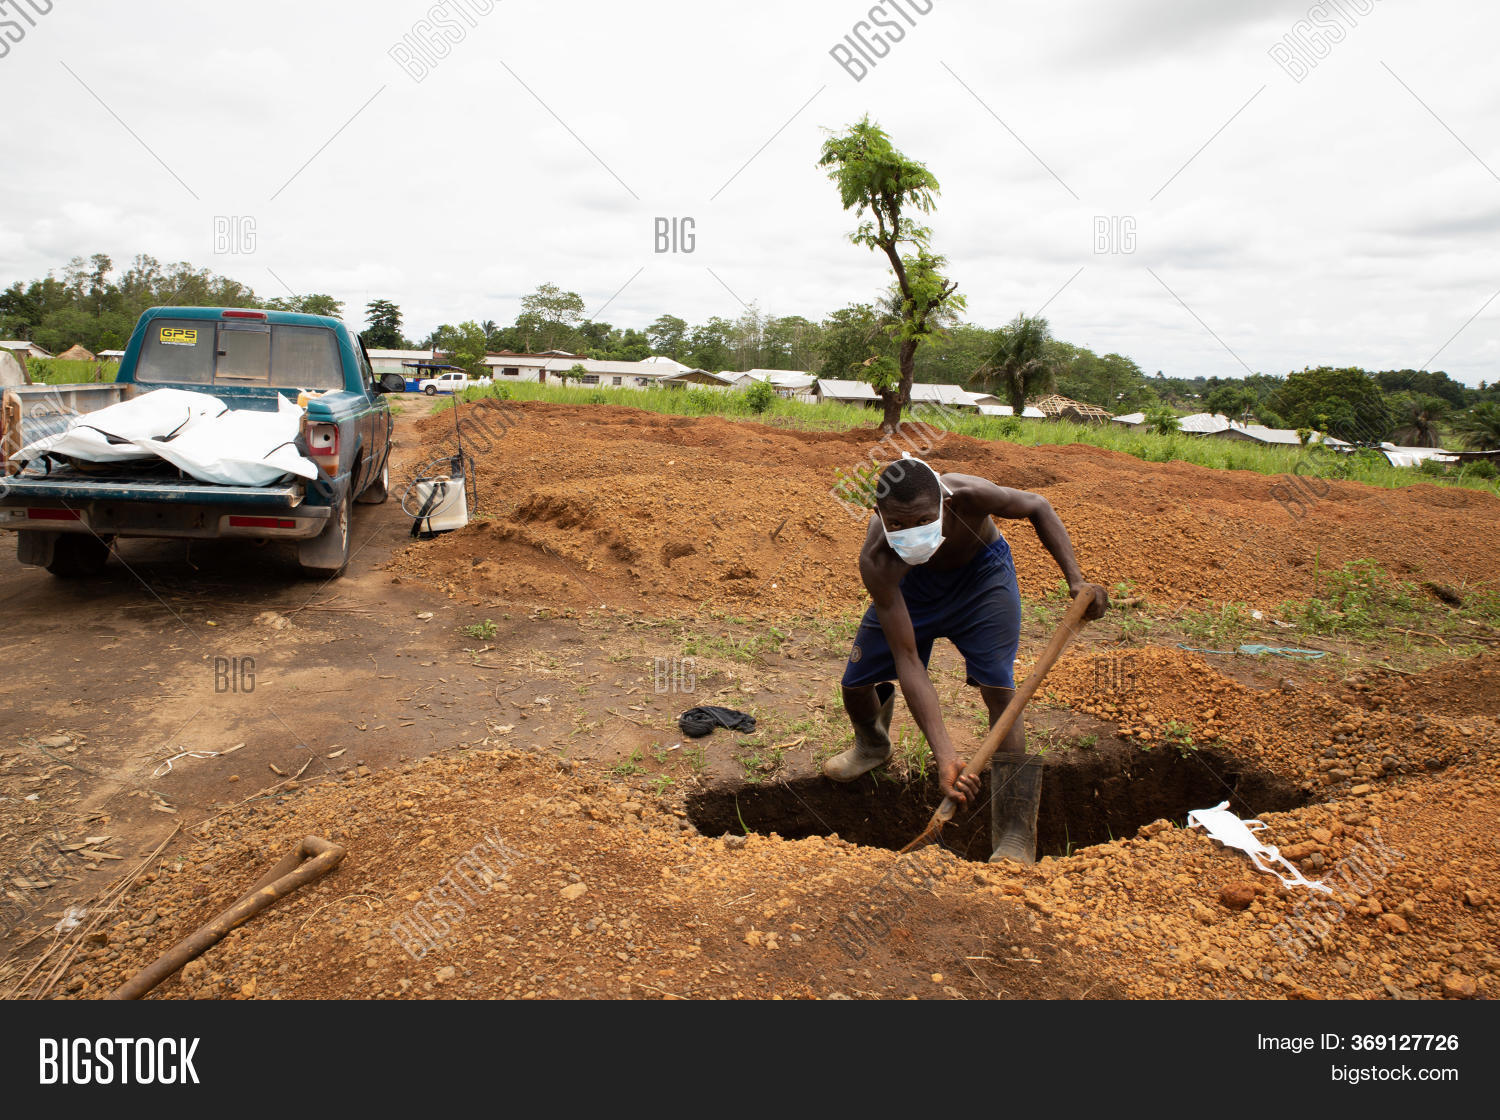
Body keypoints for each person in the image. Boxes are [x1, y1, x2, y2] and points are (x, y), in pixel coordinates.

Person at [823, 452, 1107, 863]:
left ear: (945, 503)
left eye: (923, 520)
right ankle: (872, 746)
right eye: (897, 524)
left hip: (982, 580)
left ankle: (1014, 829)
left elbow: (1039, 507)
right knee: (855, 682)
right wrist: (945, 756)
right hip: (911, 592)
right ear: (879, 514)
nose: (910, 531)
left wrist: (1075, 577)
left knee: (998, 688)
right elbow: (907, 658)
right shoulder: (879, 560)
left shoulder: (971, 494)